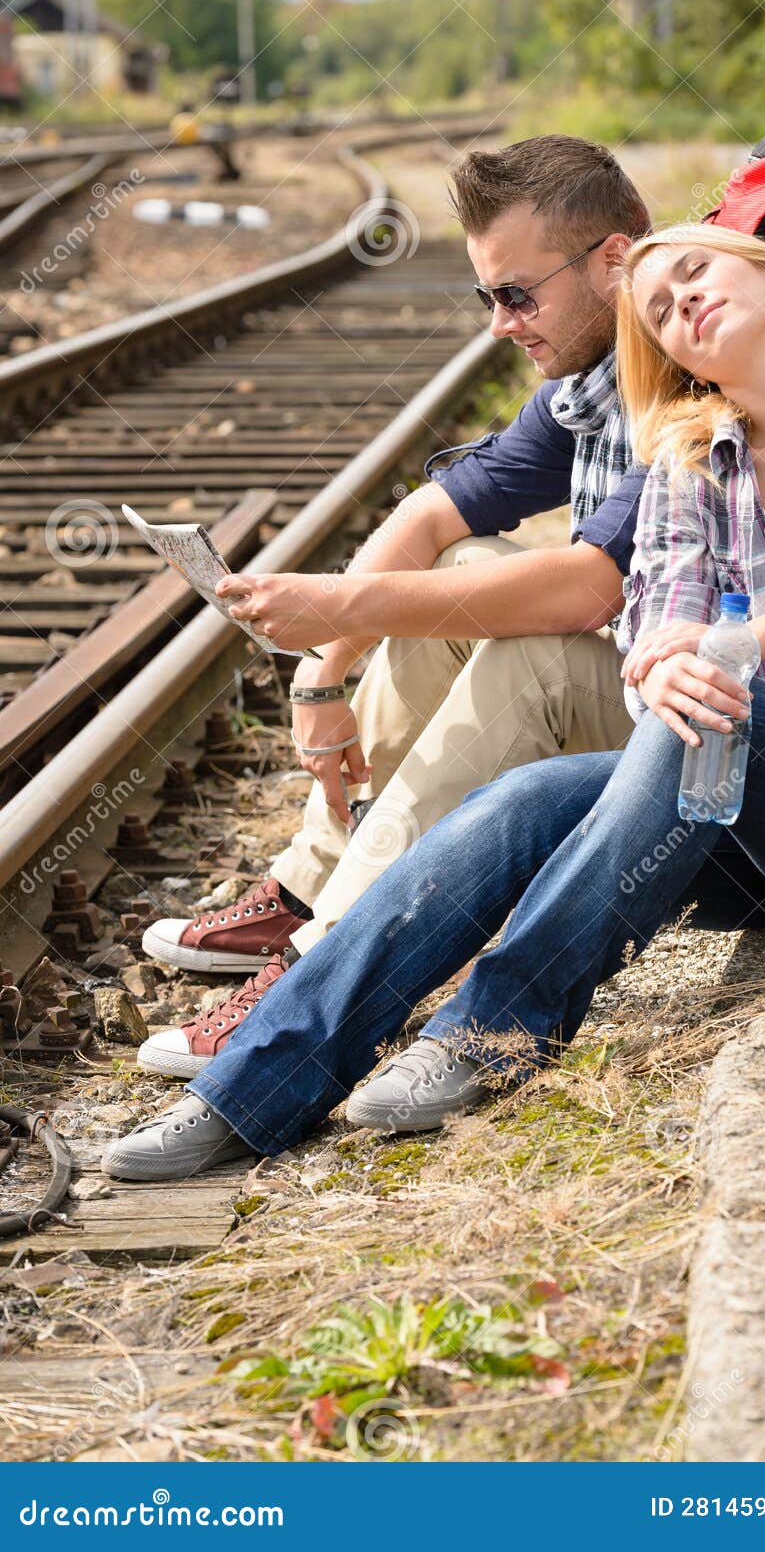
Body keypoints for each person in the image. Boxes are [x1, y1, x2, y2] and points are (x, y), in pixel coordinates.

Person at [103, 222, 765, 1182]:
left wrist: (729, 648)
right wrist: (657, 666)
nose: (683, 300)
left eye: (696, 270)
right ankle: (251, 1088)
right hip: (753, 841)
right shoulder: (688, 461)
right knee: (521, 801)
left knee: (712, 699)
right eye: (658, 309)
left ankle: (488, 1033)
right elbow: (652, 630)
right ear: (664, 354)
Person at [135, 135, 650, 1080]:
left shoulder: (695, 364)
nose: (500, 325)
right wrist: (324, 668)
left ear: (612, 261)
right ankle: (311, 885)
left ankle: (316, 974)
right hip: (653, 695)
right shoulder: (591, 374)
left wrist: (339, 601)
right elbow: (435, 512)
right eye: (487, 296)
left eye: (517, 294)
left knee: (522, 645)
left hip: (737, 749)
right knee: (461, 563)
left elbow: (585, 588)